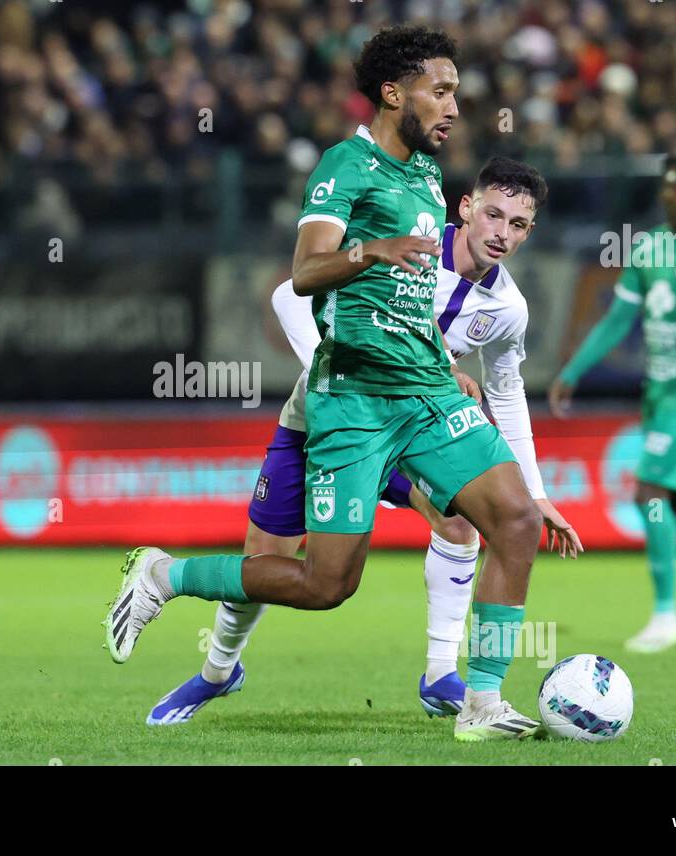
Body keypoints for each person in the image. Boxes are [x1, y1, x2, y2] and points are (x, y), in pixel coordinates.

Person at [105, 25, 547, 742]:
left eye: (456, 93)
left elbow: (408, 307)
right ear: (393, 93)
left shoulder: (428, 179)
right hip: (353, 398)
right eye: (441, 91)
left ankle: (481, 702)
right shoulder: (347, 164)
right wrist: (371, 249)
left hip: (426, 390)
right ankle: (164, 575)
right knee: (325, 584)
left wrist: (444, 365)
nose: (454, 108)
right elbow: (306, 274)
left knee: (517, 519)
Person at [146, 158, 582, 727]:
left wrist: (536, 490)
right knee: (271, 559)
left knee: (466, 519)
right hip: (327, 420)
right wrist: (354, 381)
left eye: (519, 224)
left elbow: (507, 391)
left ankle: (442, 676)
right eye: (493, 215)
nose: (502, 233)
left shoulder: (508, 309)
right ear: (465, 209)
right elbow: (288, 298)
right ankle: (218, 672)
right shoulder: (408, 245)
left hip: (413, 431)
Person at [549, 147, 676, 653]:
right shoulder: (648, 249)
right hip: (661, 394)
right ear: (665, 192)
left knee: (650, 494)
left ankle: (666, 614)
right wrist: (573, 369)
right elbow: (619, 321)